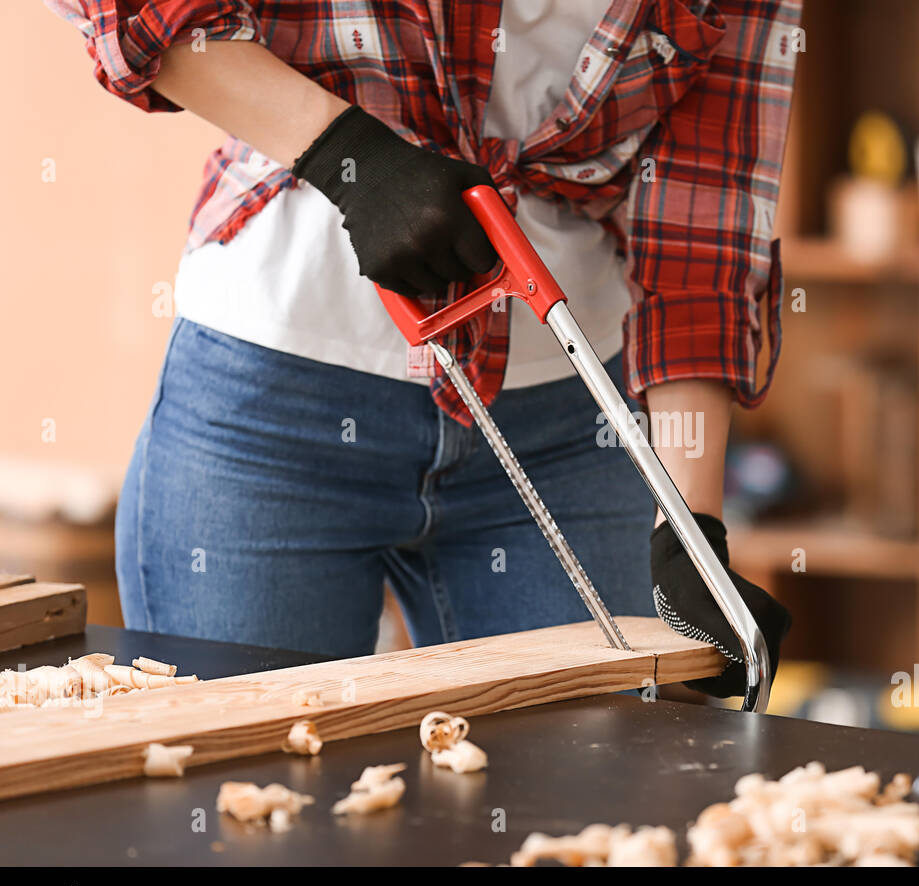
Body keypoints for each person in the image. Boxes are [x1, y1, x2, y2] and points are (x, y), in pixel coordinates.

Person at [47, 0, 797, 699]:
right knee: (253, 814)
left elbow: (709, 212)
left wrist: (690, 530)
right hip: (270, 399)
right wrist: (352, 158)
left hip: (573, 421)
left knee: (581, 801)